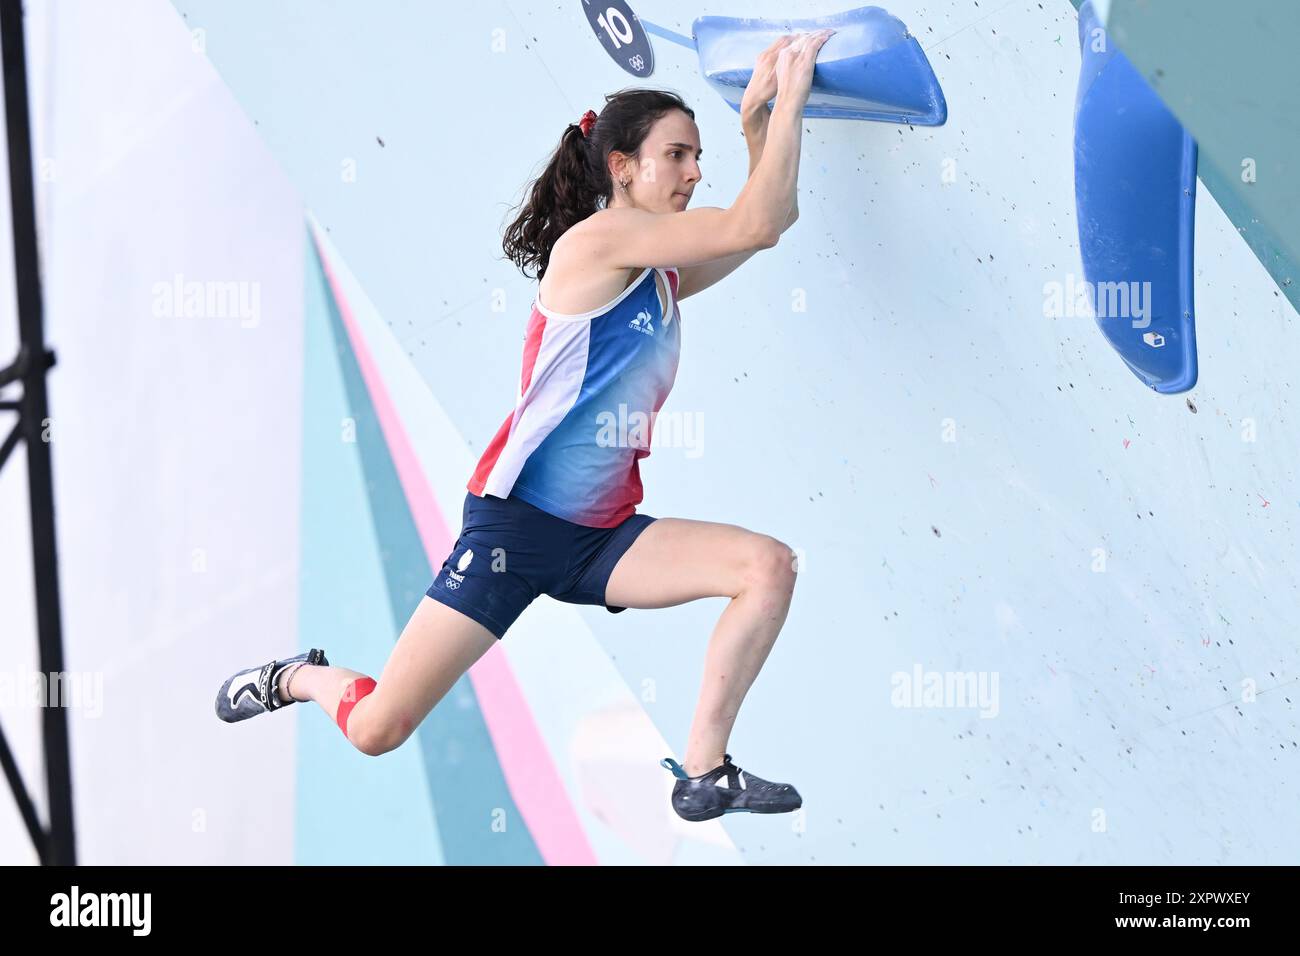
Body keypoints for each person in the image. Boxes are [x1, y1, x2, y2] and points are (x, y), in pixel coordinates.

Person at [217, 29, 833, 824]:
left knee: (767, 568)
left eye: (697, 156)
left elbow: (770, 219)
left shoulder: (658, 276)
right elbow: (756, 222)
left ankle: (703, 773)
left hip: (601, 539)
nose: (693, 172)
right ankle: (296, 676)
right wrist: (789, 97)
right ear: (622, 168)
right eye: (677, 155)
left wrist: (759, 128)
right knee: (377, 730)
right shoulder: (598, 242)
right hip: (515, 527)